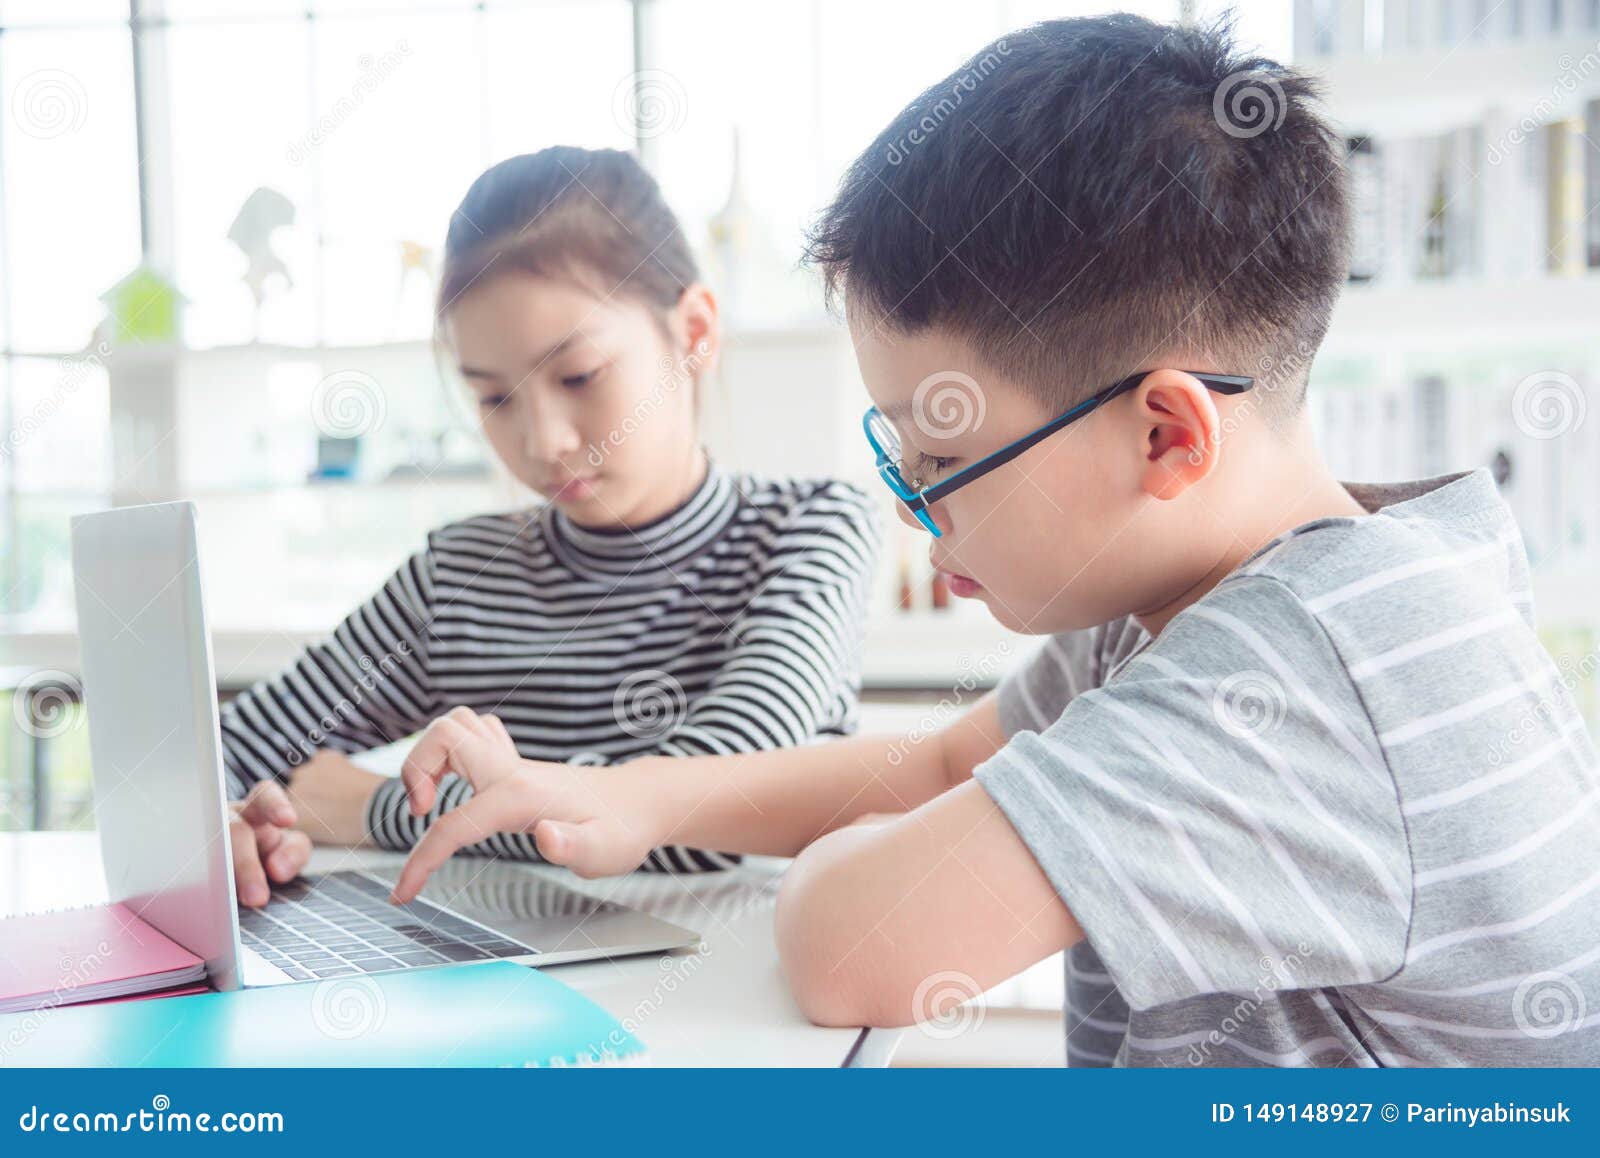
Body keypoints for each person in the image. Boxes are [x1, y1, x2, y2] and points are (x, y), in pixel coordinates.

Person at [385, 17, 1600, 1066]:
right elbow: (934, 769)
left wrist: (875, 854)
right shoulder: (1222, 593)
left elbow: (849, 950)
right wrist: (621, 797)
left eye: (945, 452)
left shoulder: (1304, 672)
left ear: (1168, 435)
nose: (917, 506)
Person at [223, 147, 881, 905]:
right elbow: (229, 752)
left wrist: (365, 807)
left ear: (695, 331)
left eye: (579, 377)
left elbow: (704, 809)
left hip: (736, 1003)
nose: (543, 443)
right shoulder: (460, 576)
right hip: (497, 989)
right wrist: (244, 822)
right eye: (495, 398)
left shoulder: (813, 529)